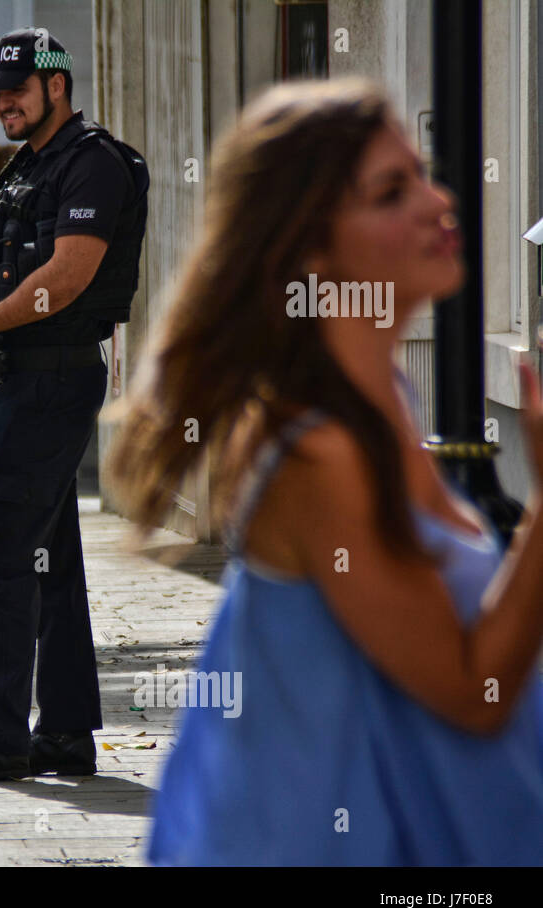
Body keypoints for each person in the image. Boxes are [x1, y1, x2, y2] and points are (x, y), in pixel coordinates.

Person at [108, 78, 543, 865]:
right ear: (312, 248)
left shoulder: (383, 407)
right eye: (391, 191)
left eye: (424, 172)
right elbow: (470, 688)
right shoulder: (318, 453)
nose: (439, 202)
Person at [0, 29, 148, 783]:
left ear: (58, 86)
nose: (4, 102)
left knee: (0, 556)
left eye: (16, 88)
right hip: (20, 381)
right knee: (50, 563)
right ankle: (65, 734)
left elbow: (70, 274)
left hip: (49, 380)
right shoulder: (30, 165)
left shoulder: (91, 164)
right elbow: (7, 254)